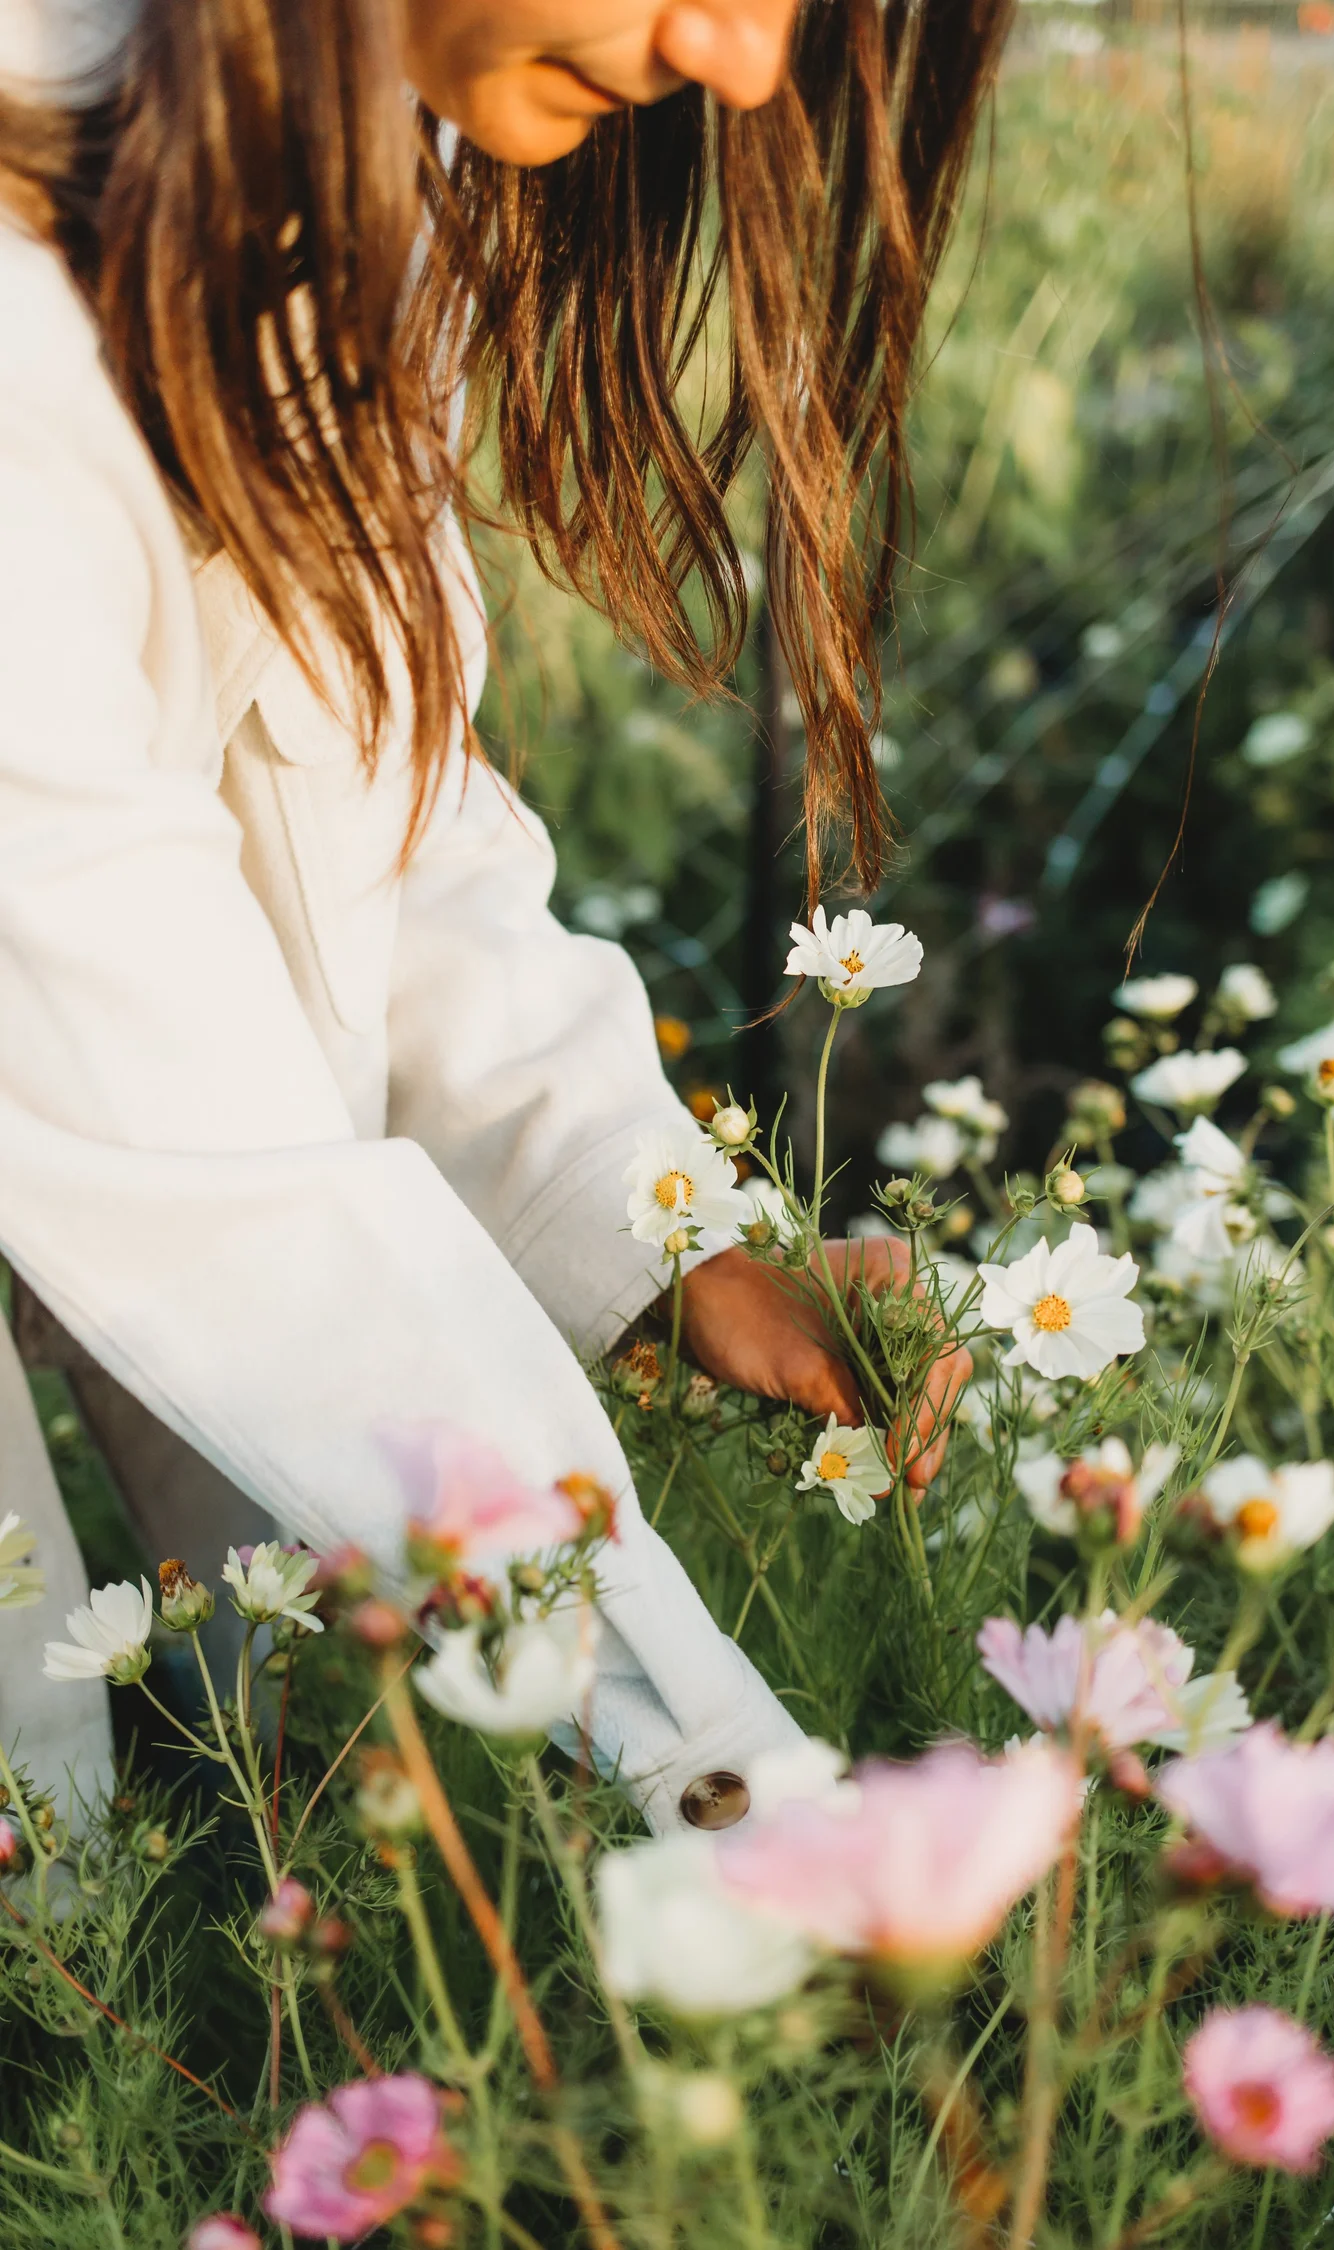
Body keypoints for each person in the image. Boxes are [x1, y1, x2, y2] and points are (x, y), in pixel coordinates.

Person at [0, 0, 995, 1836]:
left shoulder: (356, 146)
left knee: (156, 1835)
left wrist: (668, 1232)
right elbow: (200, 1163)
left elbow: (361, 790)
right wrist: (745, 1800)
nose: (741, 60)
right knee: (35, 1818)